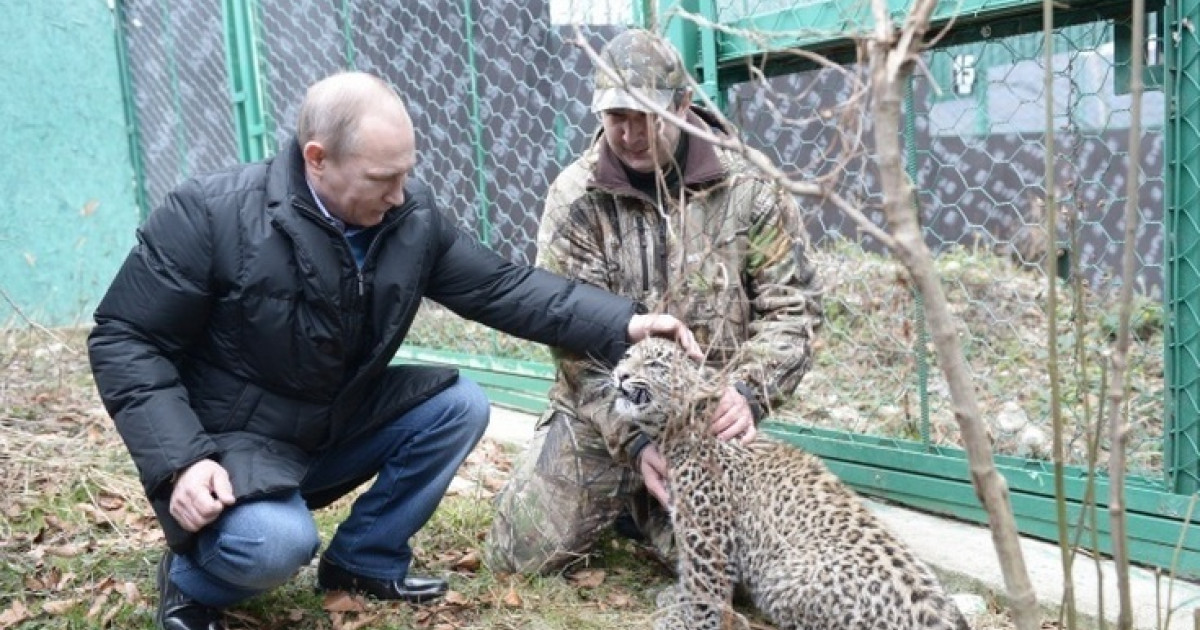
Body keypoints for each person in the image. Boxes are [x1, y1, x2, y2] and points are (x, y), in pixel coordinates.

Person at [87, 71, 700, 630]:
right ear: (317, 160)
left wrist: (628, 323)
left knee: (458, 403)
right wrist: (181, 462)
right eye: (384, 179)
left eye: (406, 173)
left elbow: (500, 286)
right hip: (232, 447)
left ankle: (364, 560)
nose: (401, 194)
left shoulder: (409, 220)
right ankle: (190, 584)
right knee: (275, 545)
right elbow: (124, 337)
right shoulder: (212, 214)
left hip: (331, 420)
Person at [484, 28, 823, 574]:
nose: (629, 132)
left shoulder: (749, 186)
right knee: (517, 559)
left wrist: (748, 393)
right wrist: (638, 443)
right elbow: (570, 339)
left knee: (742, 569)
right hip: (603, 416)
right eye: (616, 115)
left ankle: (647, 514)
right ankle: (626, 495)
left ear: (684, 105)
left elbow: (795, 309)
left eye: (646, 115)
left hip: (706, 419)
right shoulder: (576, 197)